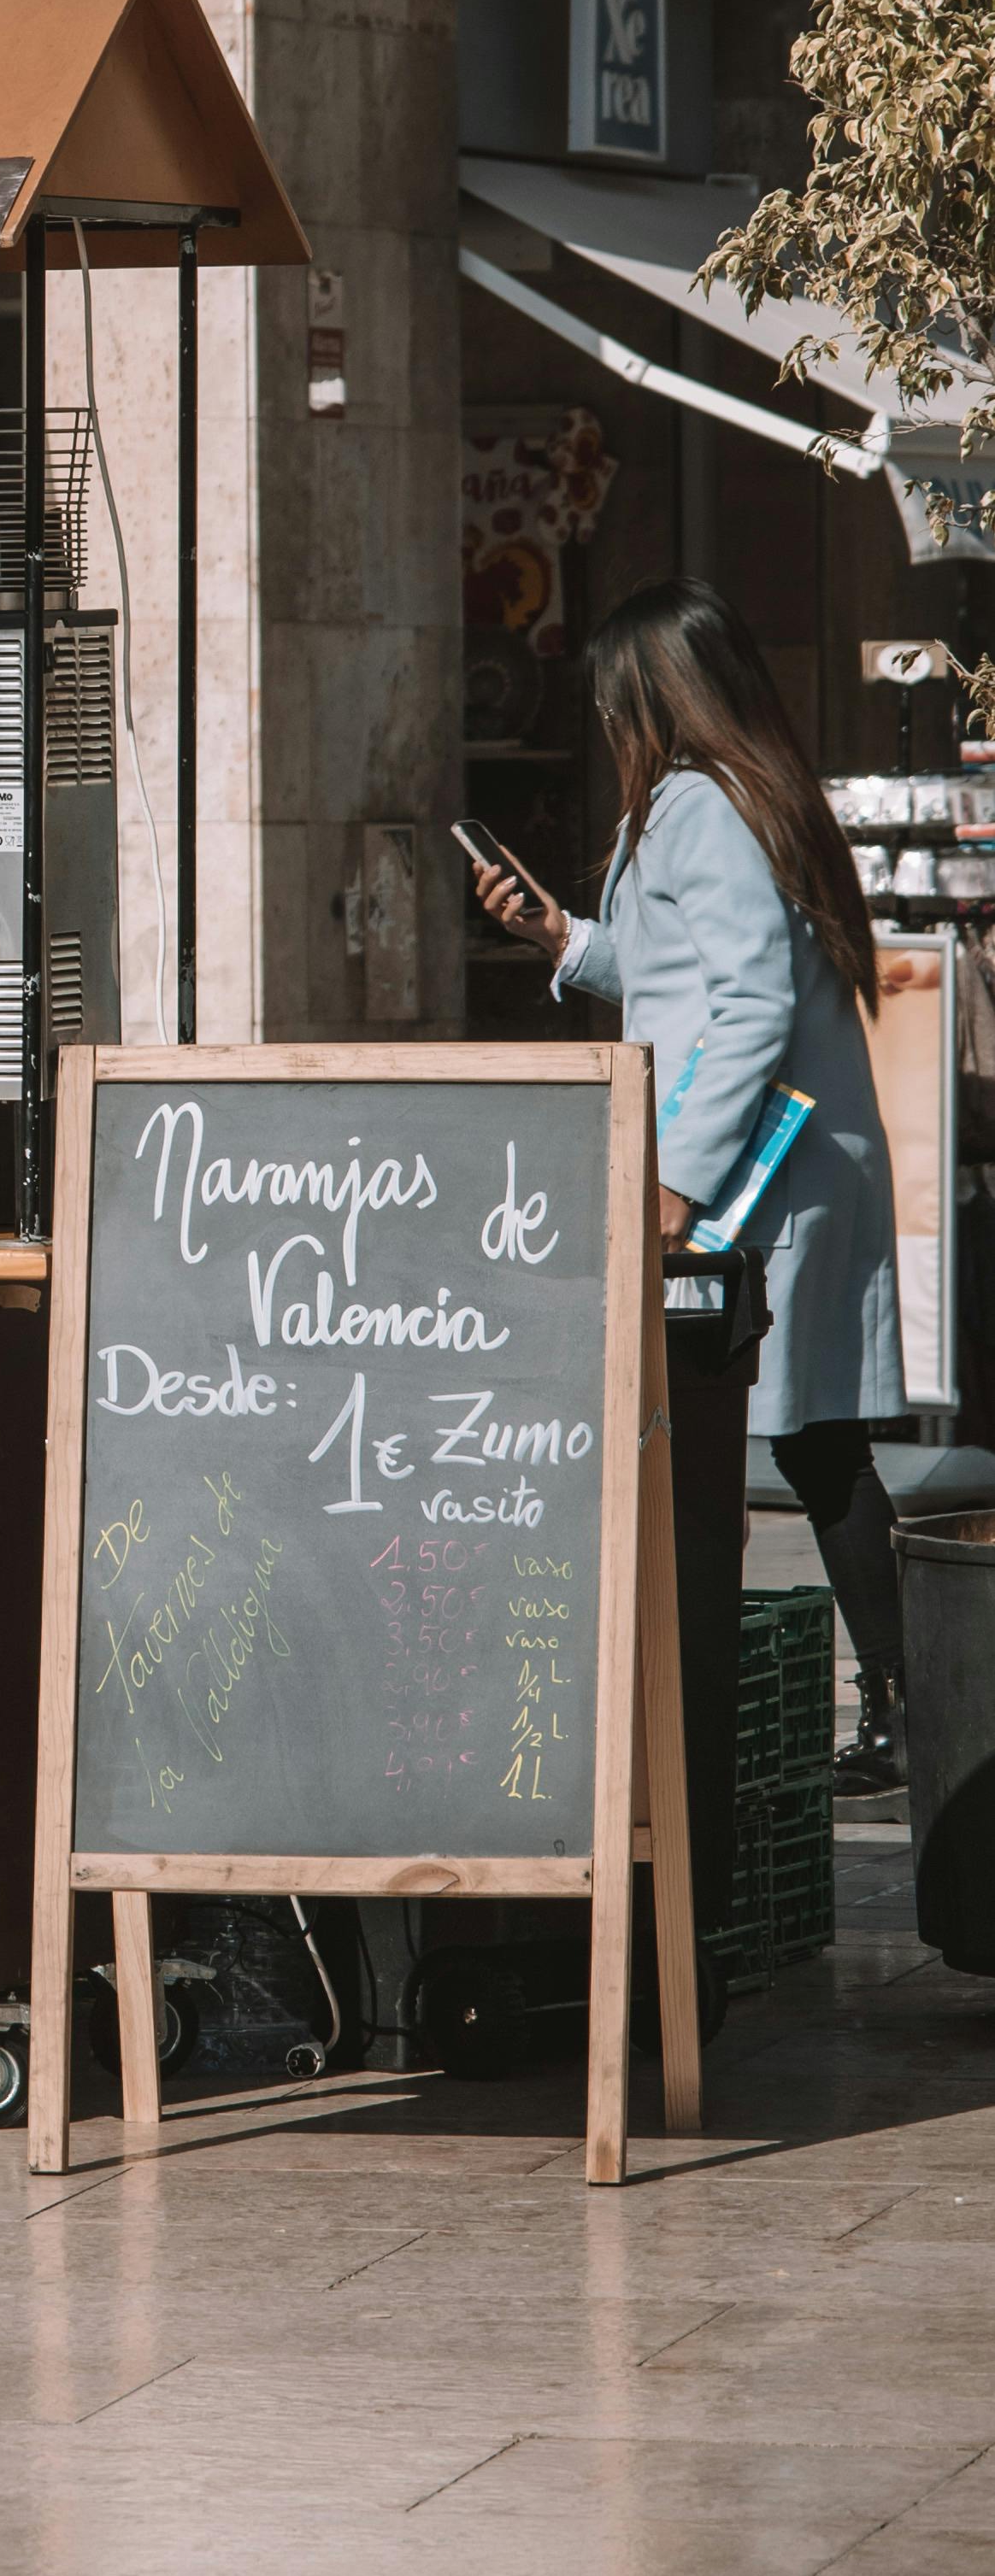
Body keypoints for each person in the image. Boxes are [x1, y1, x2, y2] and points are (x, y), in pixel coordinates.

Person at [474, 581, 907, 1904]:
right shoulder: (738, 795)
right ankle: (898, 1701)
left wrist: (679, 1185)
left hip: (752, 1170)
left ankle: (883, 1702)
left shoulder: (699, 804)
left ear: (653, 699)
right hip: (784, 1161)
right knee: (812, 1433)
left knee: (774, 1432)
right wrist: (568, 939)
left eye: (614, 698)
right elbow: (684, 970)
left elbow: (748, 1002)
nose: (605, 720)